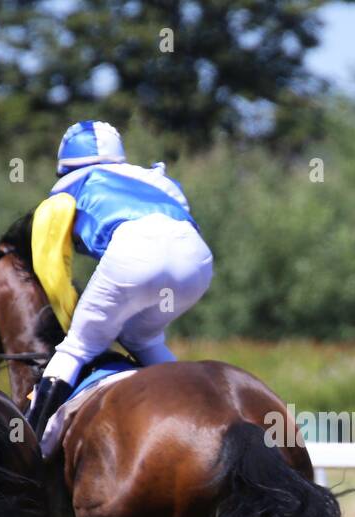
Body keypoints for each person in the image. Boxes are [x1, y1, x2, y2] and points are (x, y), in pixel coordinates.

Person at [23, 121, 214, 437]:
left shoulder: (65, 189)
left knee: (75, 349)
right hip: (196, 259)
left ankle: (30, 445)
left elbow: (51, 267)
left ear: (64, 165)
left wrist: (74, 321)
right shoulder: (158, 180)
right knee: (144, 340)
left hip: (134, 253)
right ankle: (198, 417)